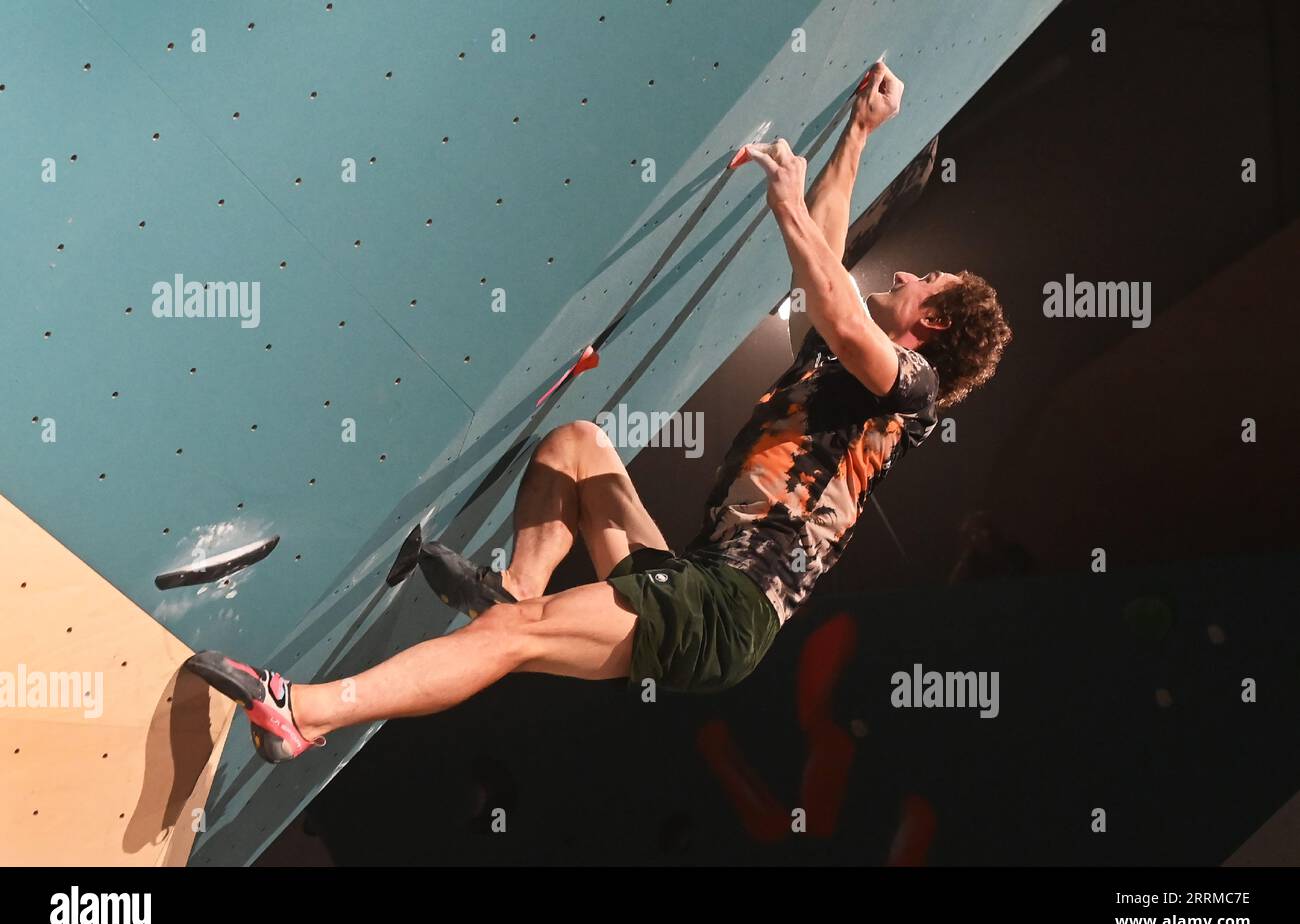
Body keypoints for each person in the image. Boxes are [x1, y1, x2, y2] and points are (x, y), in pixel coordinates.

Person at [185, 61, 1011, 763]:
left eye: (923, 280)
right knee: (575, 447)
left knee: (513, 643)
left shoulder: (911, 389)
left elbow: (831, 297)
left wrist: (786, 203)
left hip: (730, 610)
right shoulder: (851, 368)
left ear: (930, 325)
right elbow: (825, 265)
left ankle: (306, 714)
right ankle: (508, 589)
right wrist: (860, 133)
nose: (906, 277)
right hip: (699, 574)